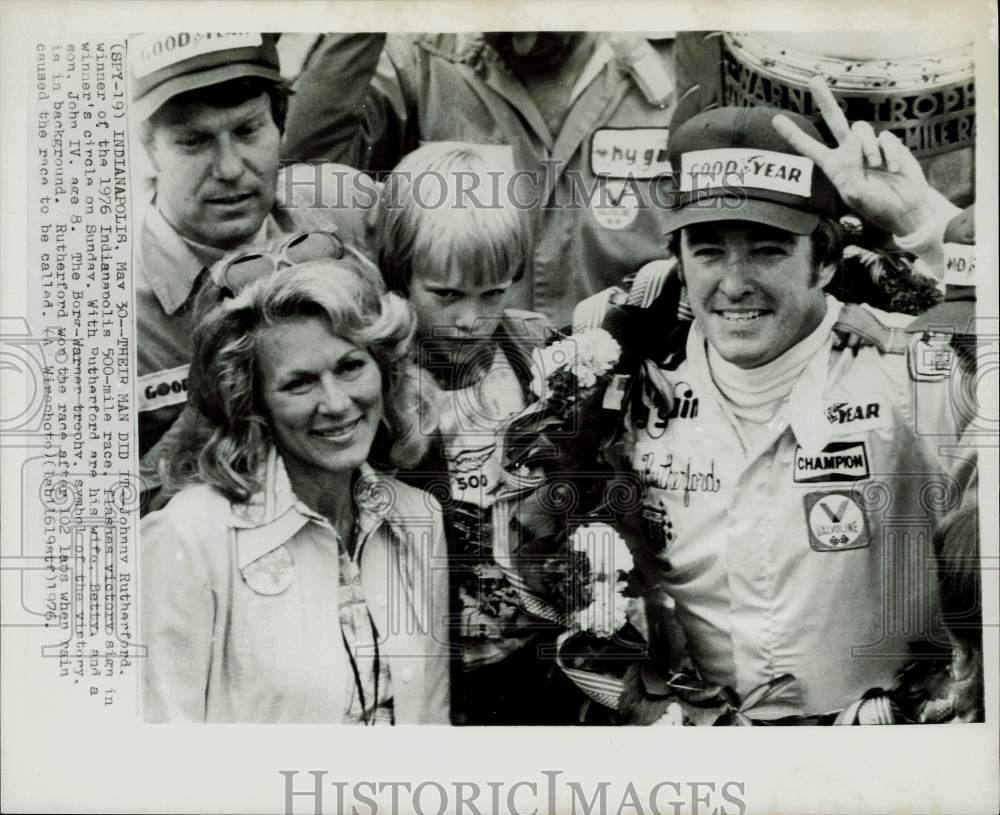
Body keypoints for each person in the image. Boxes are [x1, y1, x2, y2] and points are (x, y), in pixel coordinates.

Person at [619, 79, 975, 719]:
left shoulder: (907, 368)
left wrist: (925, 220)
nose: (733, 283)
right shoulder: (619, 384)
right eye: (707, 251)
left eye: (767, 249)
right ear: (677, 256)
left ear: (826, 261)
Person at [141, 252, 450, 723]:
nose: (336, 403)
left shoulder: (418, 517)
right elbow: (160, 759)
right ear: (253, 403)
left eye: (350, 366)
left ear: (385, 371)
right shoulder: (190, 536)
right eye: (299, 383)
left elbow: (431, 723)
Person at [374, 142, 582, 724]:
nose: (471, 319)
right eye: (445, 295)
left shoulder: (535, 352)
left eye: (493, 293)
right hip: (430, 669)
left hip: (538, 659)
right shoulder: (375, 380)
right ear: (399, 274)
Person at [281, 32, 679, 326]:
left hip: (627, 390)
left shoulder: (675, 64)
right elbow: (304, 177)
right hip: (463, 384)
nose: (525, 36)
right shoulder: (421, 60)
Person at [130, 33, 377, 492]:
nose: (228, 168)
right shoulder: (98, 306)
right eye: (193, 141)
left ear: (280, 125)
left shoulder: (346, 210)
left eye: (247, 131)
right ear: (148, 148)